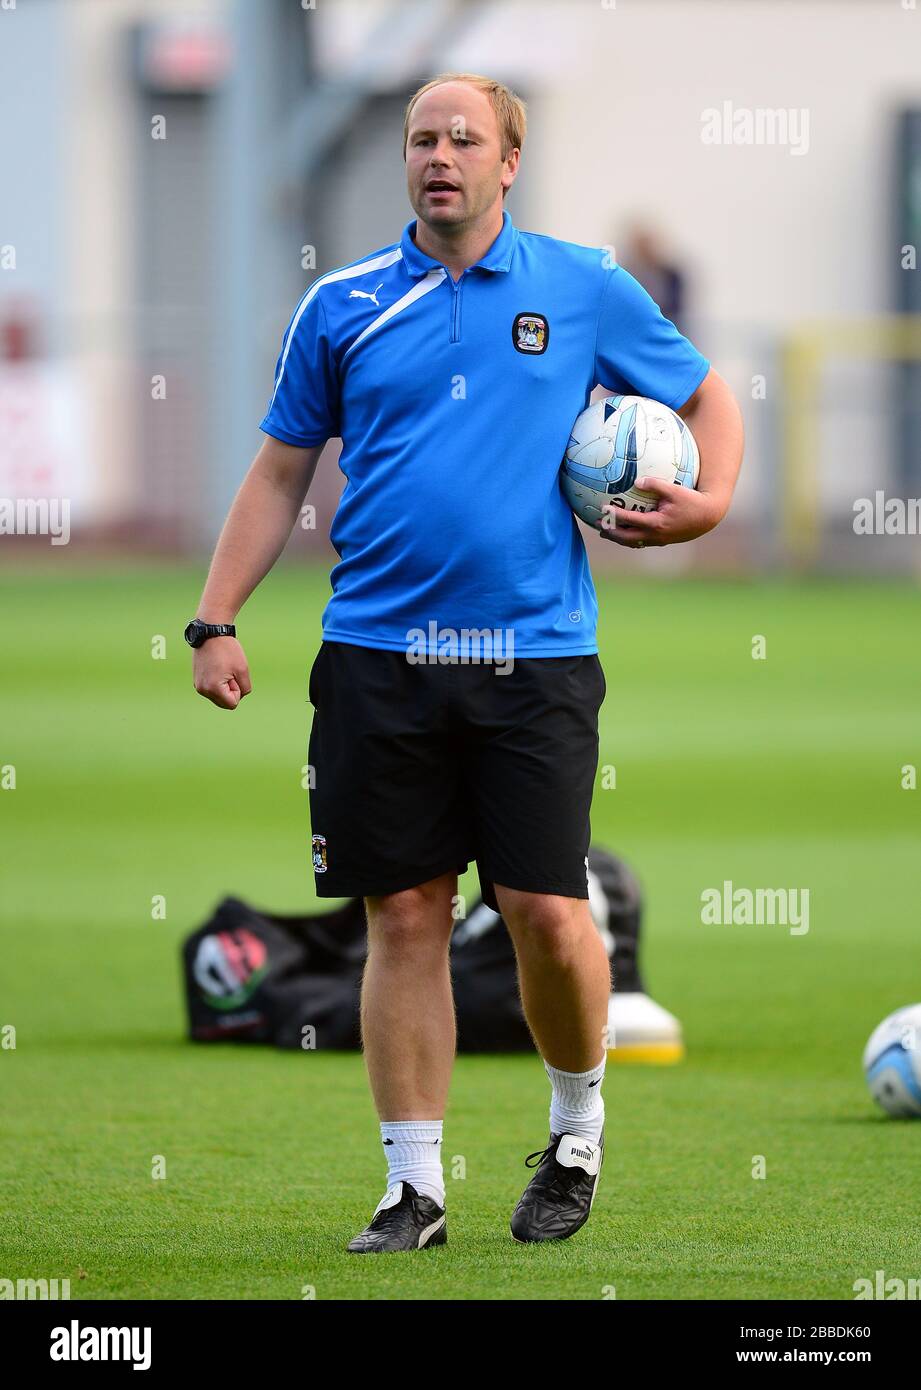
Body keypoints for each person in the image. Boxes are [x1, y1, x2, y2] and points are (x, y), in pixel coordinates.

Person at [186, 72, 743, 1253]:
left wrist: (710, 505)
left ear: (509, 161)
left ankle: (577, 1129)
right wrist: (216, 616)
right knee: (405, 914)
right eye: (421, 139)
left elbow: (704, 394)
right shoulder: (340, 303)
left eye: (464, 139)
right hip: (375, 657)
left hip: (532, 655)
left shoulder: (583, 286)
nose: (439, 155)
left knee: (545, 909)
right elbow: (282, 468)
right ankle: (415, 1189)